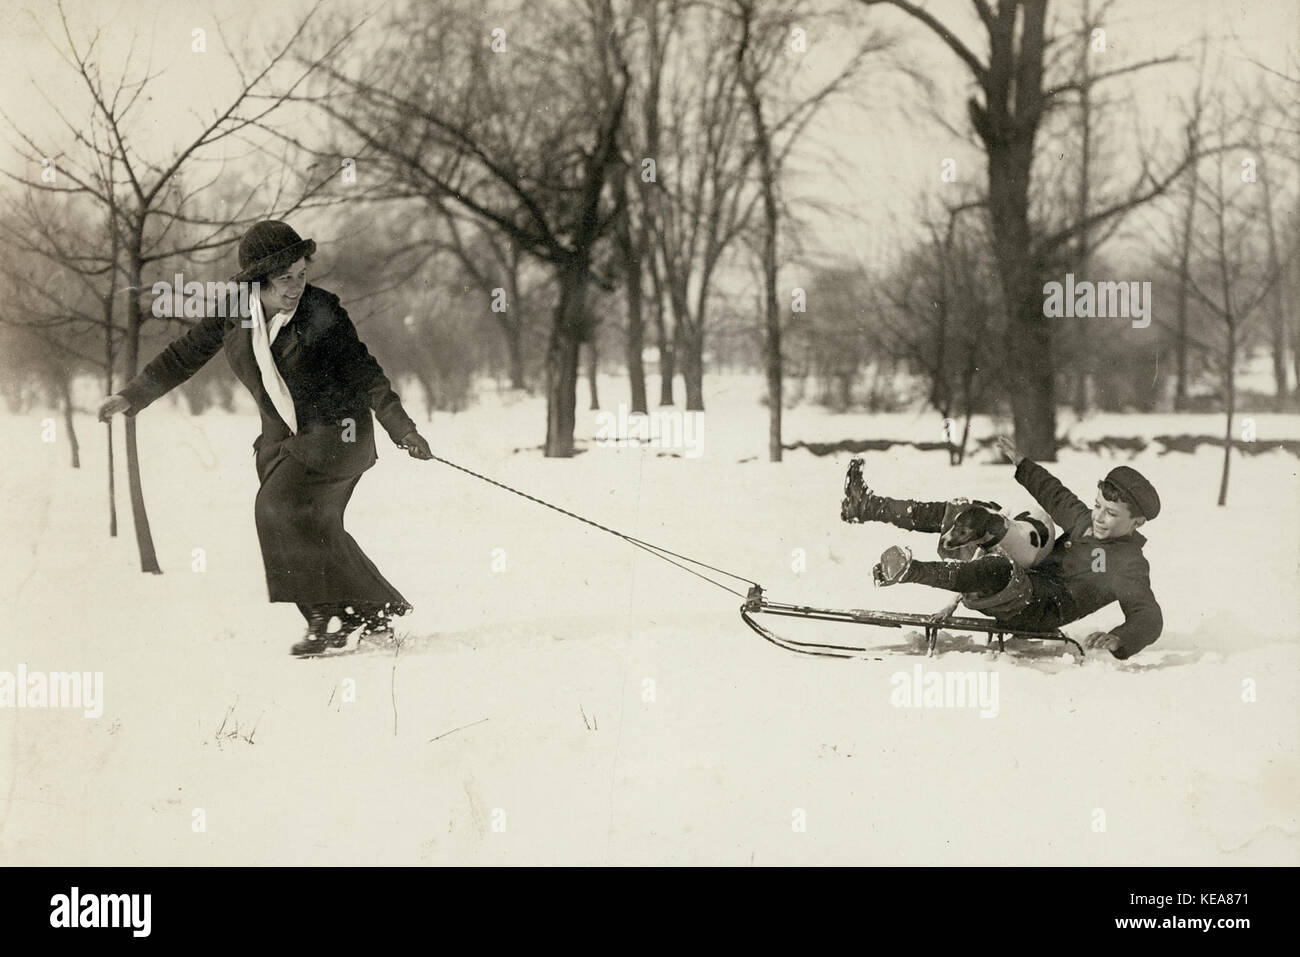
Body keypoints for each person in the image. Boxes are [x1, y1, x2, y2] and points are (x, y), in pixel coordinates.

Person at [98, 220, 432, 656]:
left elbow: (365, 373)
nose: (295, 287)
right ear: (256, 282)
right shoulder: (234, 310)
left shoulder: (322, 312)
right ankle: (372, 614)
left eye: (301, 274)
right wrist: (131, 395)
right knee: (312, 524)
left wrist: (402, 429)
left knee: (276, 508)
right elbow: (184, 354)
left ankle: (322, 616)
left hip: (338, 435)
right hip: (283, 443)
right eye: (283, 279)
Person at [840, 435, 1163, 659]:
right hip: (1024, 579)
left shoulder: (1128, 563)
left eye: (1112, 514)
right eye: (1098, 506)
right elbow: (1056, 495)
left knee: (998, 568)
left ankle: (911, 570)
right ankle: (868, 507)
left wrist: (1122, 637)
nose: (1100, 518)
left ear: (1137, 523)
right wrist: (1023, 464)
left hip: (1038, 608)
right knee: (972, 513)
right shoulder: (1085, 521)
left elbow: (1148, 615)